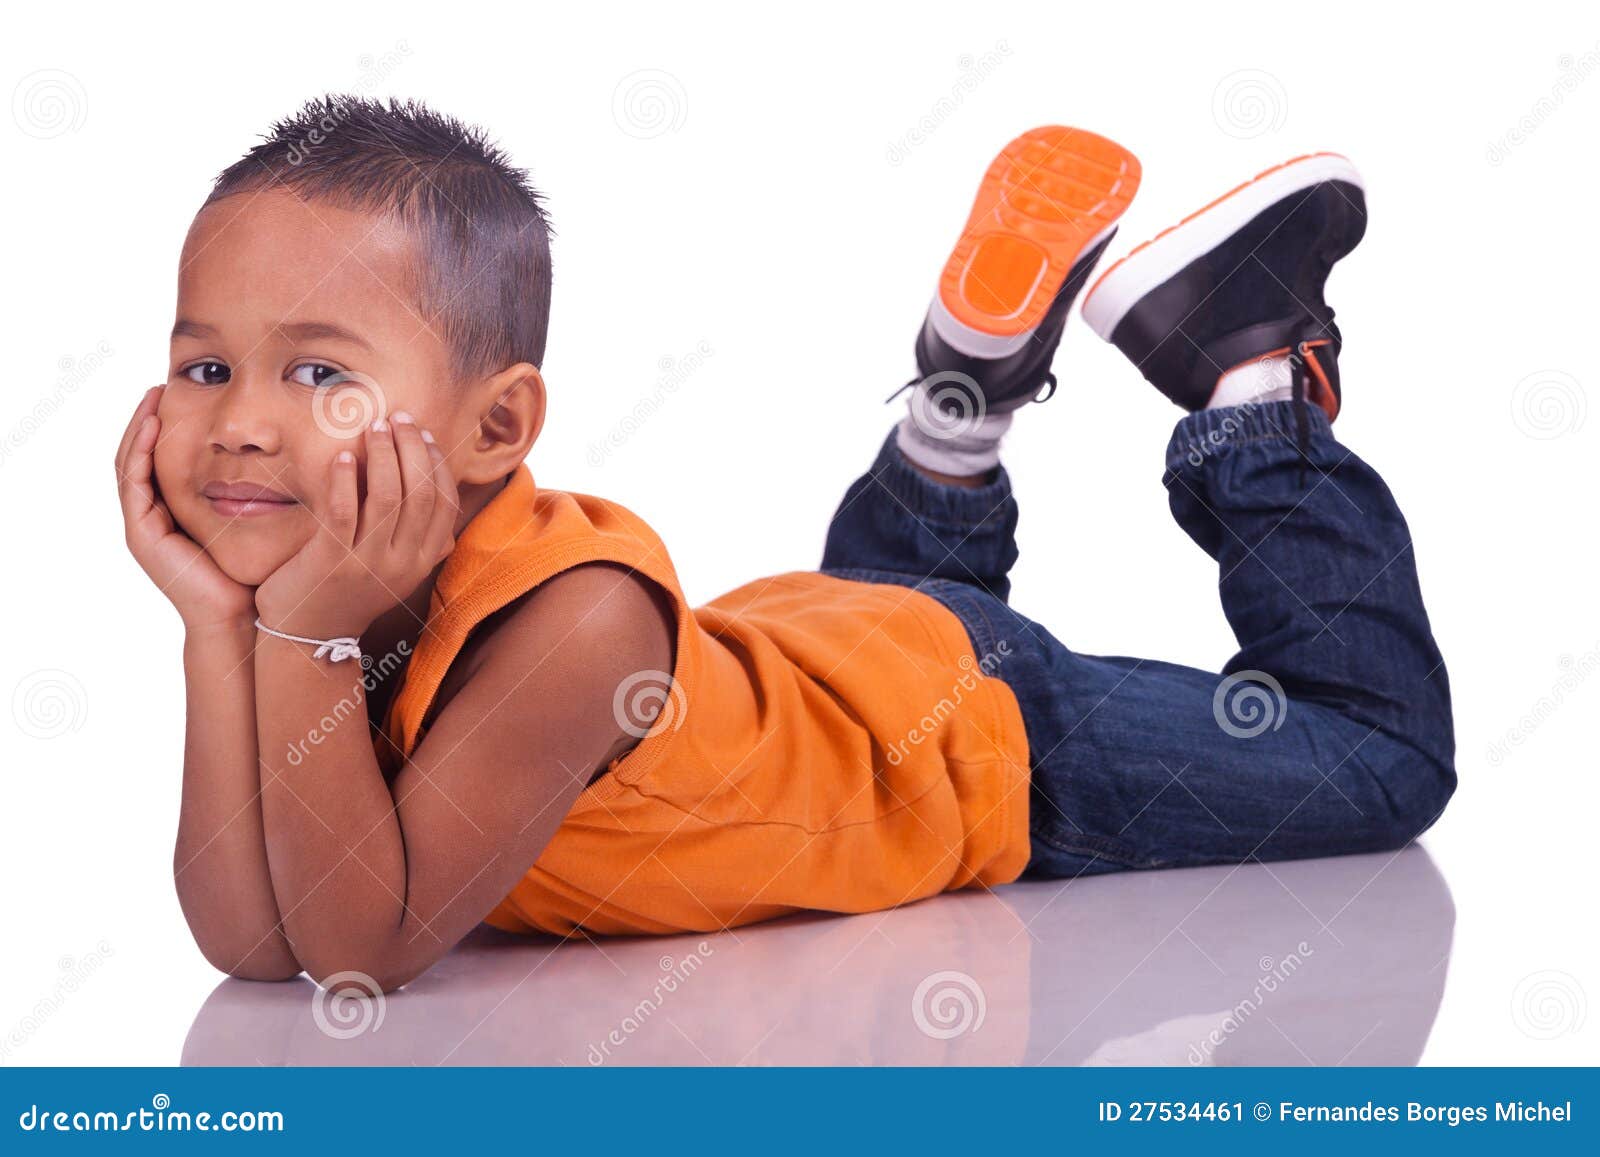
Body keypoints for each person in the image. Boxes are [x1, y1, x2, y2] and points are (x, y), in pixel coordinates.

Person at [115, 97, 1454, 993]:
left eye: (315, 377)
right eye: (208, 363)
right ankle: (956, 409)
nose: (235, 426)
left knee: (1383, 758)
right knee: (893, 607)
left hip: (975, 736)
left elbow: (357, 953)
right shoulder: (330, 591)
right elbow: (252, 943)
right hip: (818, 653)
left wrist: (284, 630)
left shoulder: (571, 629)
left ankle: (1249, 372)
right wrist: (216, 622)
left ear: (498, 424)